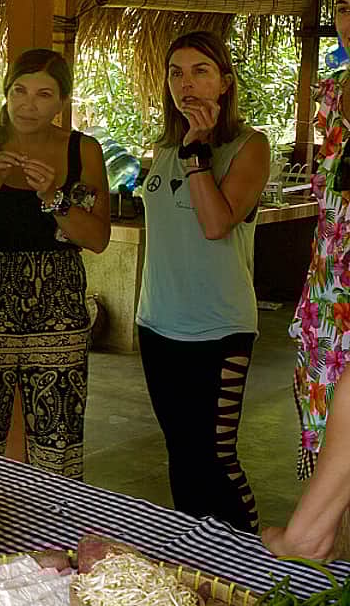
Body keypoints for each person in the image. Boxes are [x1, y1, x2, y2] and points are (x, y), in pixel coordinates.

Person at [0, 48, 110, 480]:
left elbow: (96, 238)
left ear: (62, 102)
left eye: (43, 94)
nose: (28, 104)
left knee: (59, 435)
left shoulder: (83, 150)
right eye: (19, 91)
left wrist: (52, 197)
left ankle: (57, 518)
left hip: (59, 306)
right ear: (6, 93)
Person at [137, 30, 269, 532]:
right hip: (157, 323)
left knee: (216, 456)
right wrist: (184, 146)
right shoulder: (163, 147)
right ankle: (196, 553)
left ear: (225, 83)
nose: (186, 84)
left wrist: (198, 153)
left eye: (200, 71)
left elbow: (216, 224)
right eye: (176, 73)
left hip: (219, 328)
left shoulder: (248, 146)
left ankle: (253, 558)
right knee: (181, 452)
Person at [264, 0, 350, 559]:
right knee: (327, 403)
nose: (349, 21)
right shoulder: (336, 91)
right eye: (343, 8)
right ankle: (324, 541)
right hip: (333, 272)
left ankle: (311, 538)